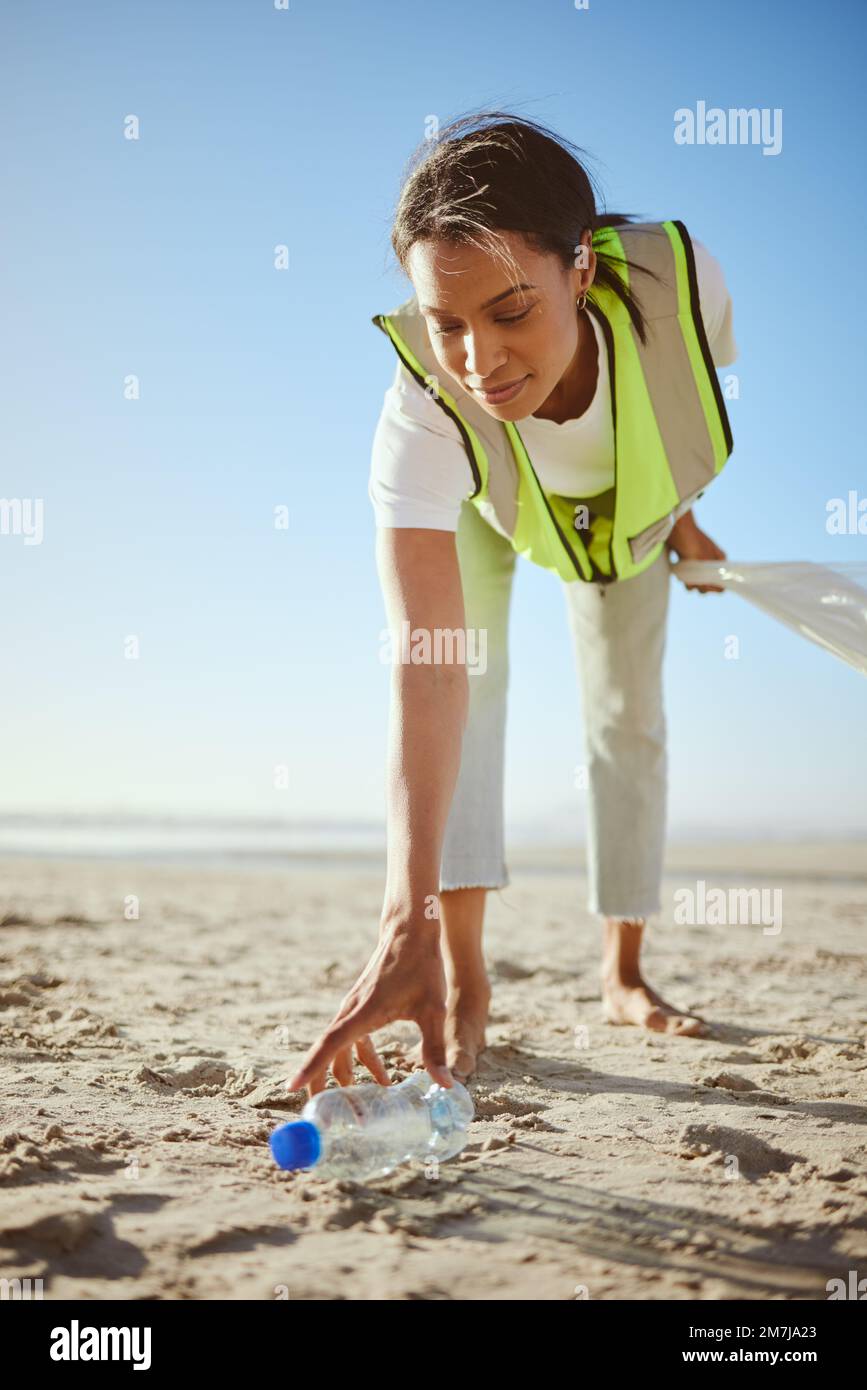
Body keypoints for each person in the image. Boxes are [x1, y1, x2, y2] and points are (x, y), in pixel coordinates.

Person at [285, 111, 736, 1099]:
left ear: (581, 268)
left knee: (628, 720)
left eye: (510, 310)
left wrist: (686, 520)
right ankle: (459, 967)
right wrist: (403, 918)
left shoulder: (682, 280)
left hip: (630, 519)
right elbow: (427, 663)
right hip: (497, 511)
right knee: (471, 686)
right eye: (447, 323)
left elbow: (678, 400)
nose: (479, 360)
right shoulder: (425, 412)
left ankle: (622, 973)